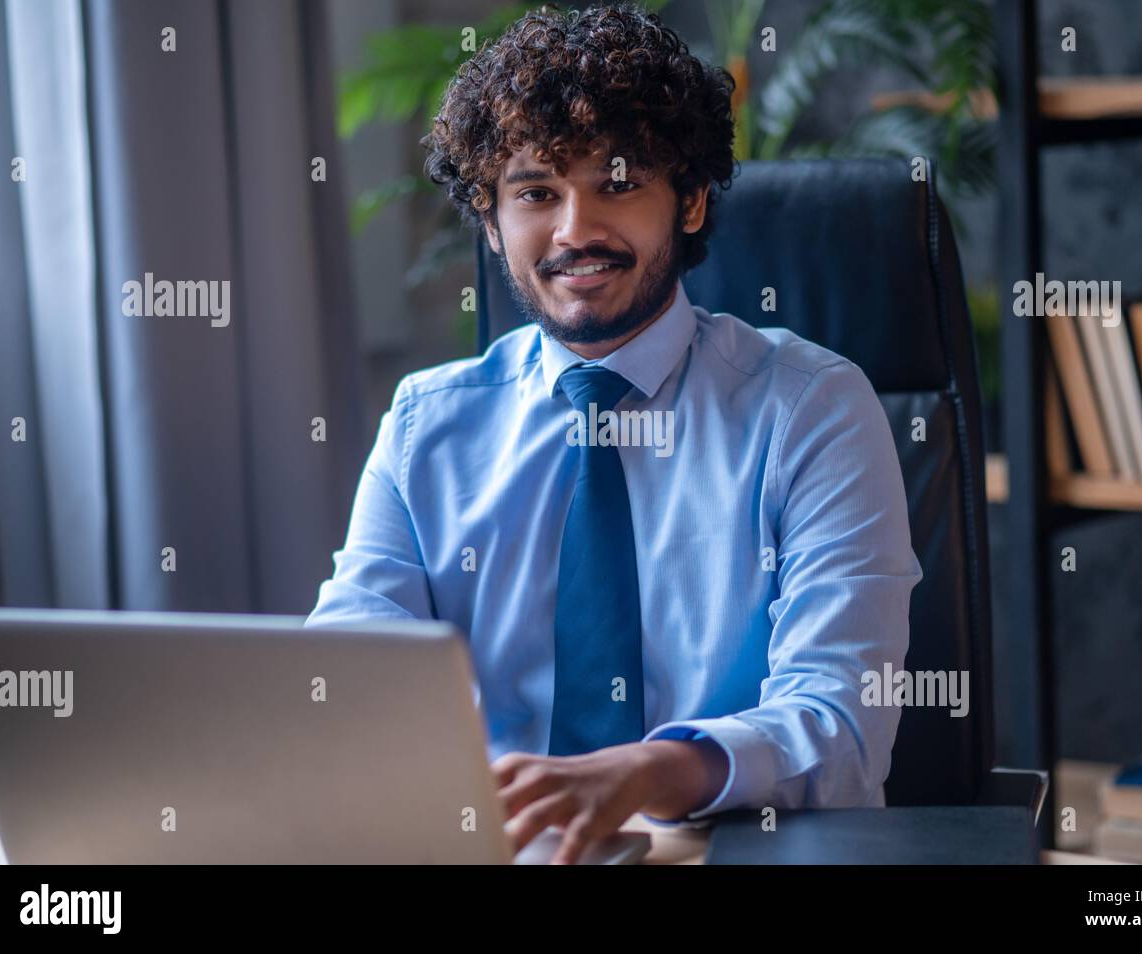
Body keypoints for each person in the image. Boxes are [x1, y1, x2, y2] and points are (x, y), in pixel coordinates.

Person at [307, 2, 922, 864]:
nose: (575, 230)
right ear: (491, 223)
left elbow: (842, 726)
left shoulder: (811, 409)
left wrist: (642, 773)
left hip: (723, 851)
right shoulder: (425, 426)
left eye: (619, 183)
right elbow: (342, 681)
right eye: (535, 193)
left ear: (693, 202)